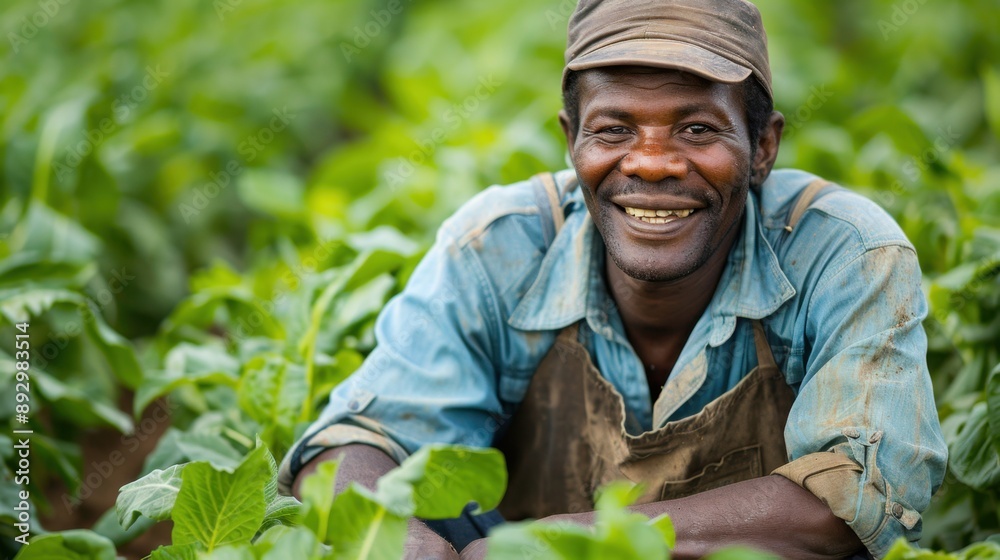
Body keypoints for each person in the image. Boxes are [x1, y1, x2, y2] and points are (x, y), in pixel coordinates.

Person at [278, 0, 948, 558]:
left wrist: (573, 542)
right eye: (614, 128)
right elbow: (351, 447)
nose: (652, 163)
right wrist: (406, 545)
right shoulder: (499, 247)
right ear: (571, 140)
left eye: (696, 127)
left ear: (763, 147)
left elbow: (852, 499)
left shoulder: (845, 254)